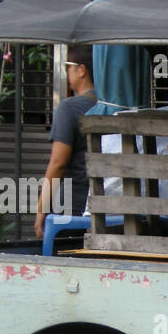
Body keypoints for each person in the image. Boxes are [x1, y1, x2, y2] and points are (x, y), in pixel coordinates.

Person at [34, 45, 97, 238]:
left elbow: (58, 163)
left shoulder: (68, 108)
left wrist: (41, 211)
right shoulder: (110, 106)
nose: (66, 72)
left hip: (73, 208)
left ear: (81, 70)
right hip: (107, 208)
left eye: (68, 66)